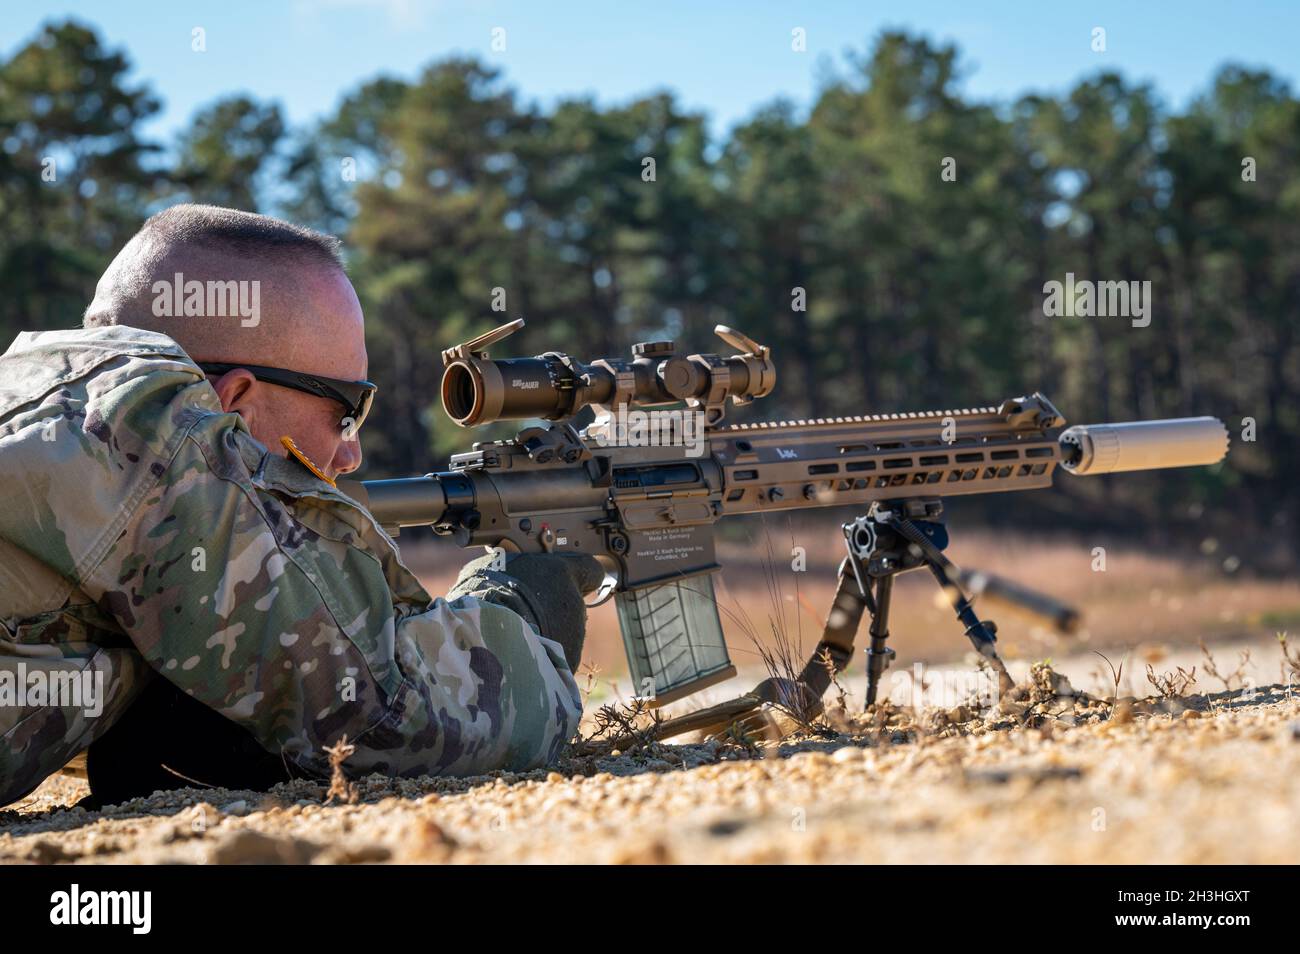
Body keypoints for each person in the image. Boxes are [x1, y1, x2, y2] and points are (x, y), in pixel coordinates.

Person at [0, 204, 601, 807]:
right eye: (346, 410)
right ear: (232, 402)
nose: (352, 453)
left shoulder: (40, 400)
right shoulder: (153, 429)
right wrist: (523, 606)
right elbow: (399, 717)